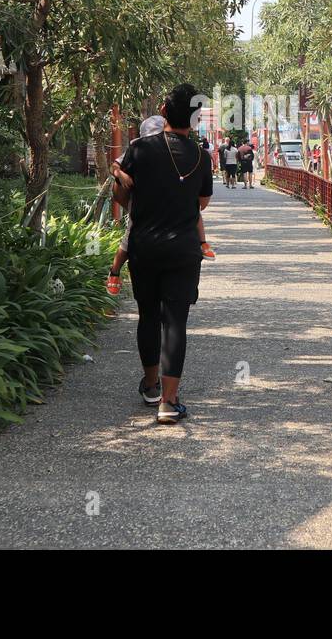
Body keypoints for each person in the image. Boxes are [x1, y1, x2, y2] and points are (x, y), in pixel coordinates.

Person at [112, 84, 212, 424]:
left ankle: (151, 386)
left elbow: (122, 195)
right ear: (196, 119)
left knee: (148, 316)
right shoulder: (202, 156)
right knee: (175, 323)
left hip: (144, 248)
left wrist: (126, 184)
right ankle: (168, 404)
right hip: (183, 250)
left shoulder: (139, 149)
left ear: (164, 112)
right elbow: (201, 204)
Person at [107, 115, 214, 295]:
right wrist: (120, 175)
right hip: (142, 204)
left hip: (169, 205)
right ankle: (114, 271)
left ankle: (203, 242)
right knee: (128, 237)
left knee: (194, 210)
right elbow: (115, 166)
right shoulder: (138, 149)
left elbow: (200, 203)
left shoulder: (174, 151)